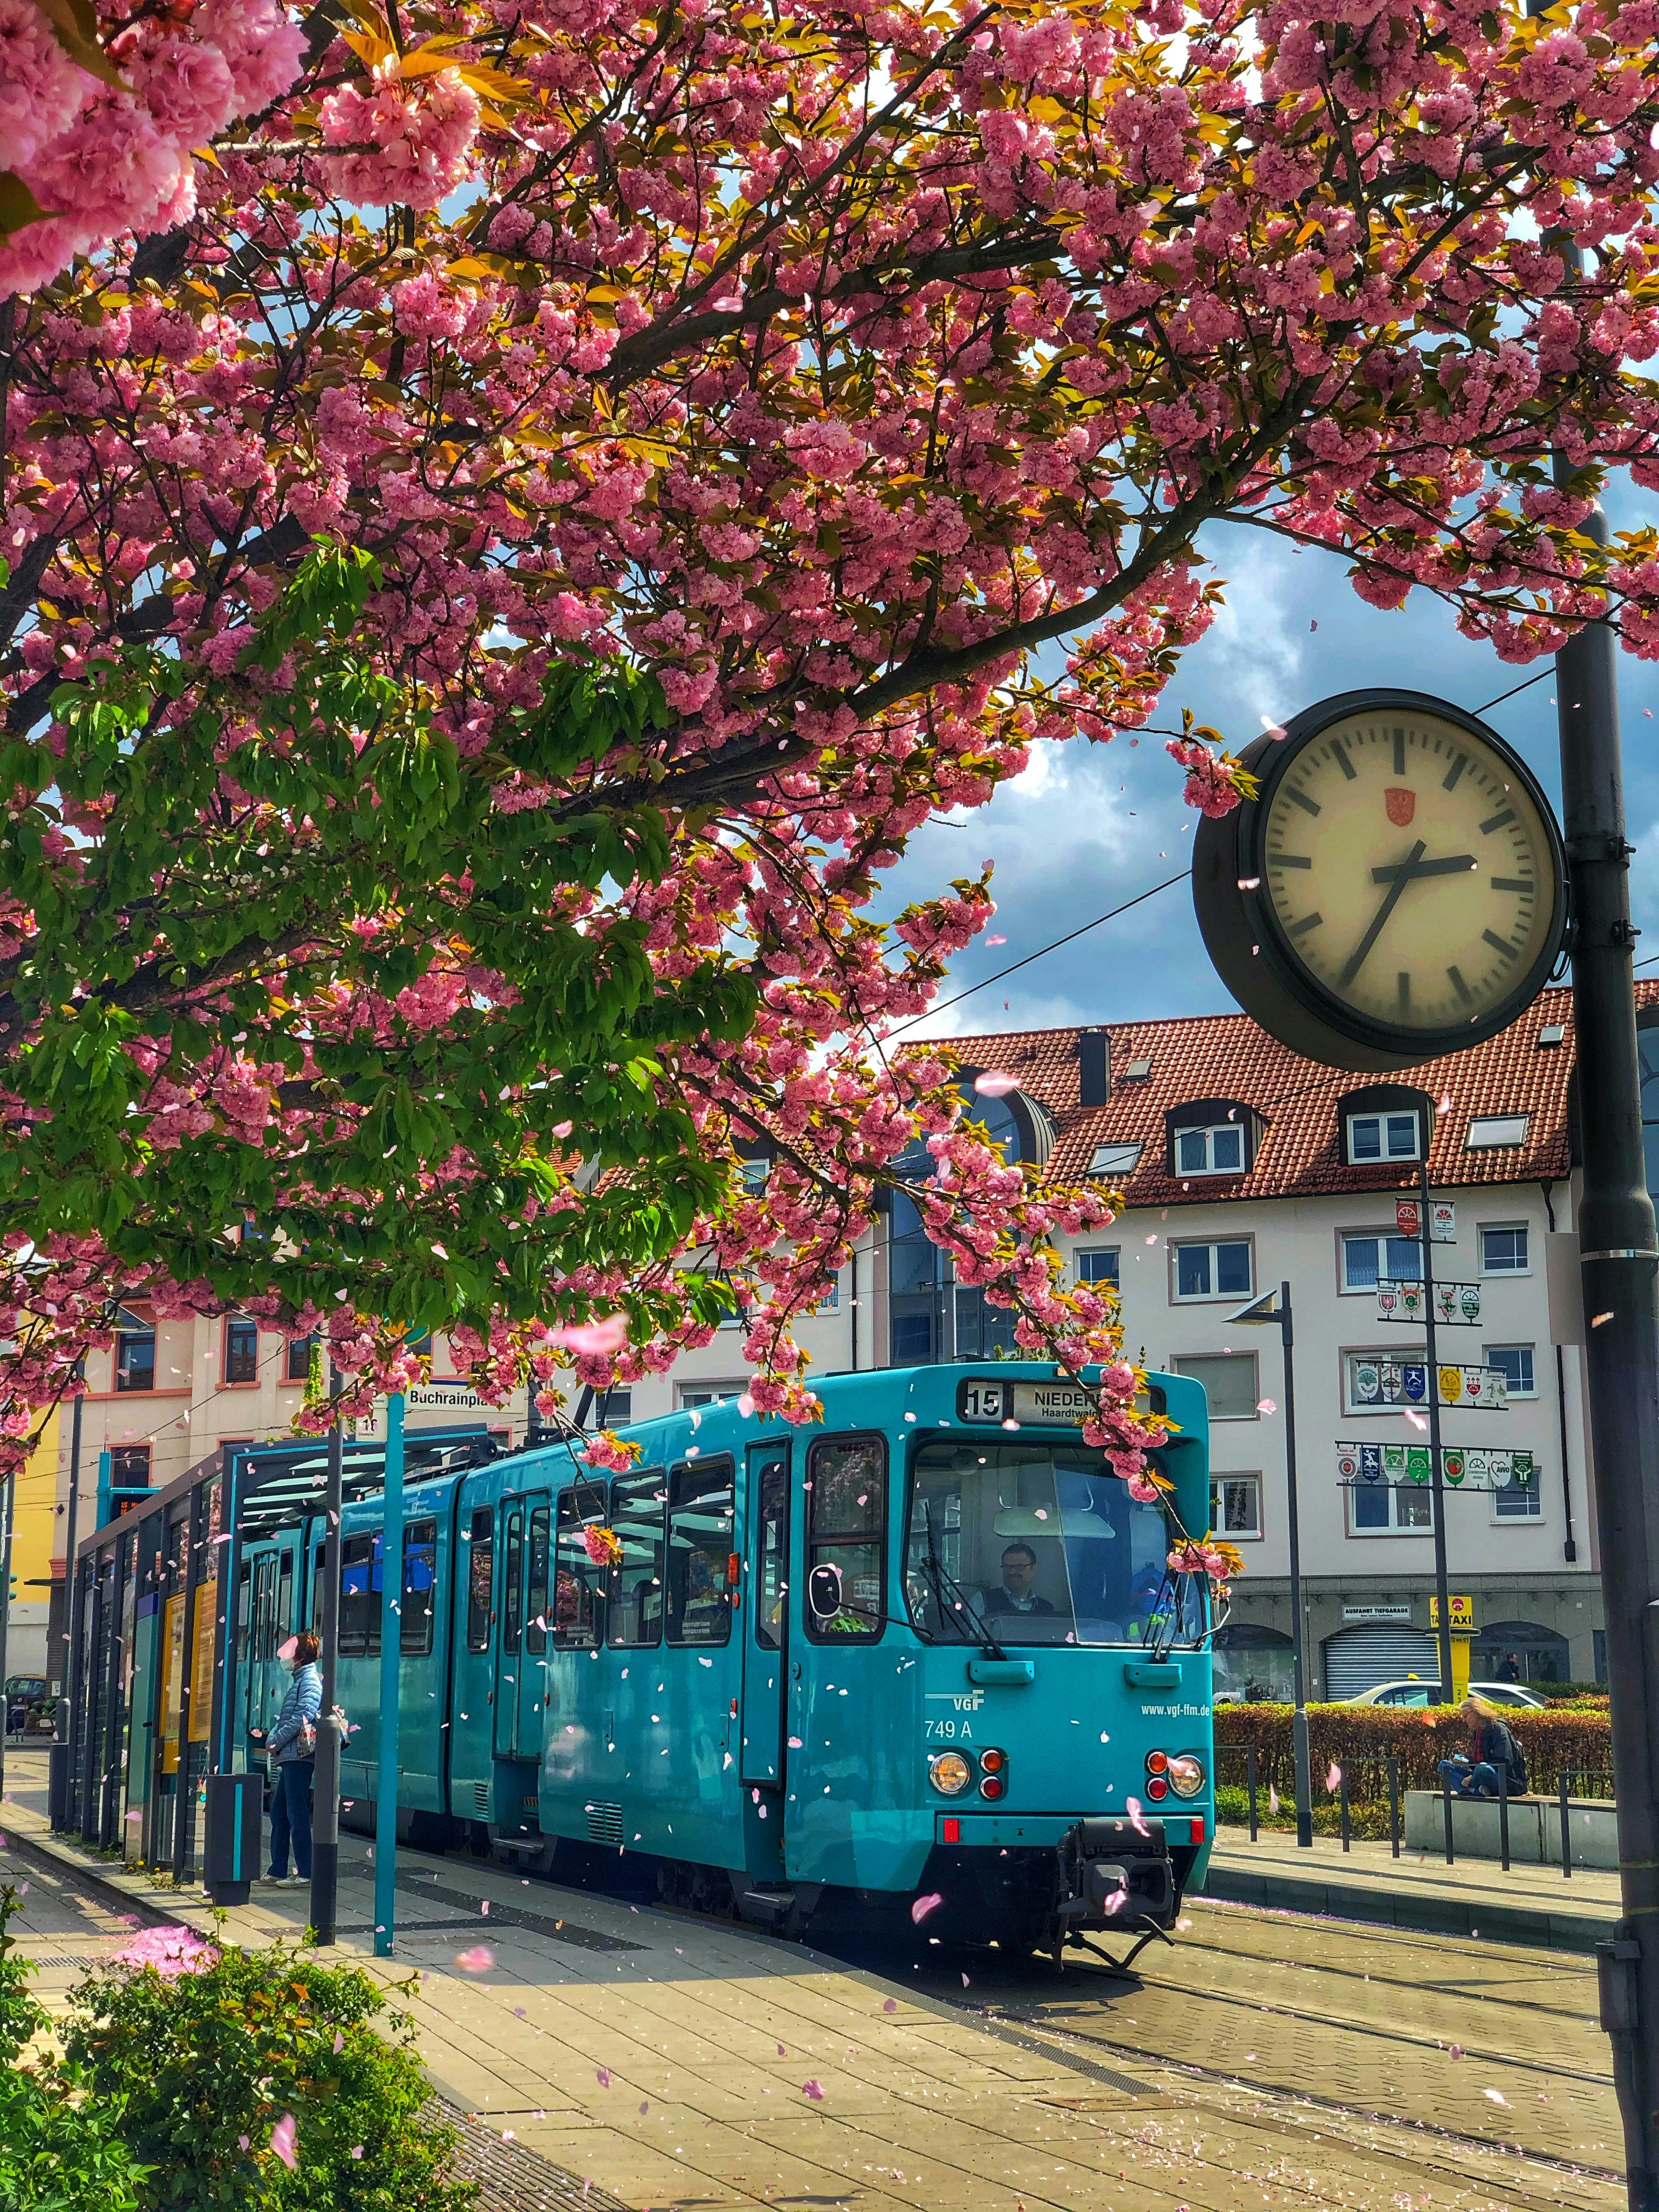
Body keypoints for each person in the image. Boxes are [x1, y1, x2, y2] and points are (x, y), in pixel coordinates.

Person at [252, 1632, 322, 1884]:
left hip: (299, 1757)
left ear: (301, 1656)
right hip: (291, 1756)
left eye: (290, 1651)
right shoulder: (301, 1680)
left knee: (295, 1812)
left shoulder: (310, 1681)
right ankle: (277, 1869)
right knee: (280, 1812)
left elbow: (302, 1715)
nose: (285, 1656)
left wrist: (276, 1739)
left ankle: (305, 1872)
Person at [1438, 1694, 1528, 1800]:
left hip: (1506, 1781)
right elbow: (1478, 1761)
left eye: (1466, 1716)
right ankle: (1475, 1791)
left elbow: (1503, 1762)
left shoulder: (1498, 1730)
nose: (1464, 1720)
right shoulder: (1478, 1732)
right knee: (1444, 1765)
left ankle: (1471, 1790)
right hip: (1482, 1775)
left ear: (1476, 1712)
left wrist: (1472, 1778)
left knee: (1483, 1769)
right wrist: (1464, 1760)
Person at [975, 1542, 1056, 1617]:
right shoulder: (984, 1601)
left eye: (1019, 1567)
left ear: (1033, 1569)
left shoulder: (1047, 1609)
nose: (1012, 1572)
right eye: (1007, 1567)